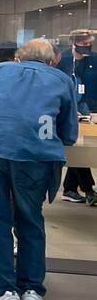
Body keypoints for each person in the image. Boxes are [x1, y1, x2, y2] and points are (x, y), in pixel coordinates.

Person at [0, 38, 79, 300]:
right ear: (52, 61)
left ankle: (3, 293)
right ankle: (32, 291)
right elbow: (70, 133)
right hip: (37, 155)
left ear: (17, 58)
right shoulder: (62, 81)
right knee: (30, 221)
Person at [59, 29, 95, 204]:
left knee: (81, 149)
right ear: (73, 43)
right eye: (85, 44)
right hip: (66, 109)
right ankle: (88, 189)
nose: (88, 47)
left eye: (90, 43)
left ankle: (70, 188)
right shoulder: (62, 60)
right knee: (75, 147)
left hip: (89, 108)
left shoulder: (94, 60)